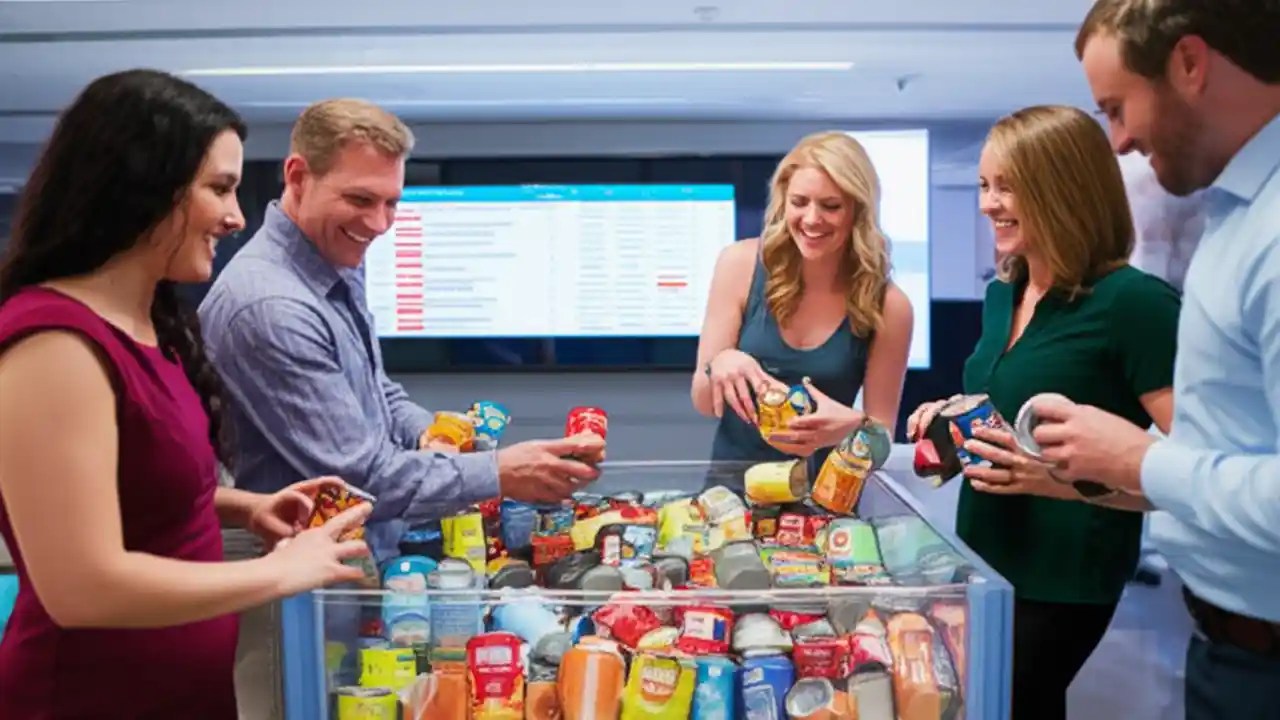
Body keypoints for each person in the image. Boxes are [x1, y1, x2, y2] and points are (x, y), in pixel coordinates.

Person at [0, 69, 372, 719]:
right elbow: (80, 588)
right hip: (87, 698)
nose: (236, 217)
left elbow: (126, 483)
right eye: (219, 188)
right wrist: (282, 571)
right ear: (143, 188)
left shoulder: (150, 323)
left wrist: (244, 507)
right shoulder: (53, 344)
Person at [1030, 2, 1280, 717]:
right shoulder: (1238, 214)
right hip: (1229, 646)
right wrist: (1111, 465)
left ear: (1190, 64)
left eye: (1117, 108)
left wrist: (1141, 462)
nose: (1119, 141)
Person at [903, 104, 1181, 720]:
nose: (988, 204)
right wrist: (953, 420)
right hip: (985, 562)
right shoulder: (1003, 293)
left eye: (1007, 187)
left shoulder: (1134, 304)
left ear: (1062, 189)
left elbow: (1192, 472)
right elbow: (1010, 409)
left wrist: (1057, 482)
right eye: (984, 185)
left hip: (1066, 579)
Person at [692, 131, 913, 486]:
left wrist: (854, 425)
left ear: (858, 211)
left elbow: (881, 443)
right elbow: (704, 402)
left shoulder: (890, 306)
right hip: (730, 501)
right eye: (799, 202)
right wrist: (720, 363)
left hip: (824, 504)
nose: (811, 219)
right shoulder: (739, 264)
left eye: (831, 206)